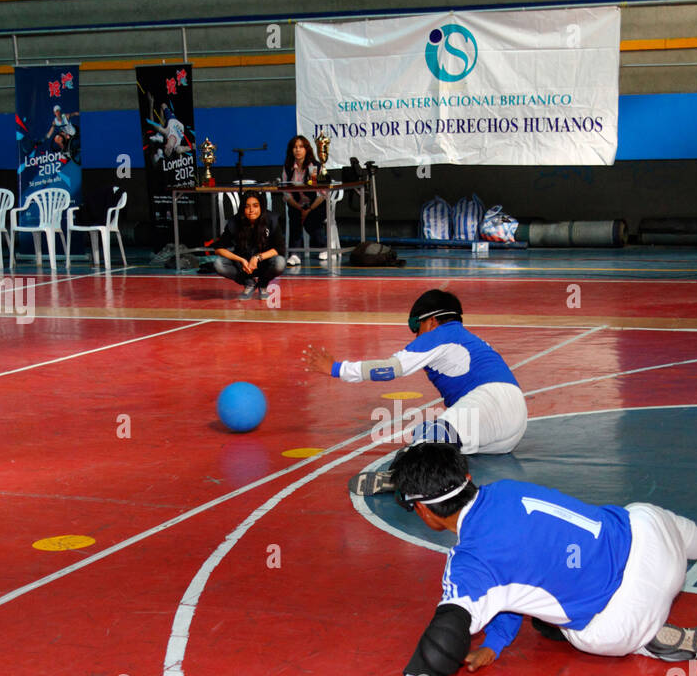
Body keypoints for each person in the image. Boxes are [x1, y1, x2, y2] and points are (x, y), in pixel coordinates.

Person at [356, 442, 697, 676]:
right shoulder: (507, 491)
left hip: (620, 624)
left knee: (566, 627)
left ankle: (648, 641)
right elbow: (521, 577)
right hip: (656, 547)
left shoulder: (469, 565)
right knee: (649, 516)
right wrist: (495, 645)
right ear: (465, 476)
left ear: (425, 513)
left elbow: (446, 635)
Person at [304, 289, 528, 468]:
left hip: (489, 403)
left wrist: (336, 368)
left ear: (430, 321)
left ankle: (404, 480)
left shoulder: (442, 333)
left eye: (416, 328)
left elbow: (389, 369)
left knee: (425, 440)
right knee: (441, 439)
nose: (416, 335)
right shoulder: (470, 339)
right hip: (511, 430)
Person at [203, 191, 285, 299]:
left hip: (264, 262)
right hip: (243, 266)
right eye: (247, 207)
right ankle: (249, 283)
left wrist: (257, 258)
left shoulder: (271, 220)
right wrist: (241, 260)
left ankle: (263, 283)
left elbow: (280, 248)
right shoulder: (235, 222)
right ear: (243, 209)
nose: (251, 210)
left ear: (261, 207)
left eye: (255, 206)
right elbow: (218, 248)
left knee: (280, 263)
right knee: (218, 264)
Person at [281, 135, 327, 266]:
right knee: (294, 217)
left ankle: (323, 247)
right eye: (295, 147)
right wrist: (299, 208)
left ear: (307, 149)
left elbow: (322, 193)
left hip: (315, 205)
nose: (297, 150)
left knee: (310, 220)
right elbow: (286, 192)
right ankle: (294, 254)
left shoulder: (314, 167)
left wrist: (309, 209)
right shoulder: (288, 167)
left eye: (301, 147)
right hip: (297, 205)